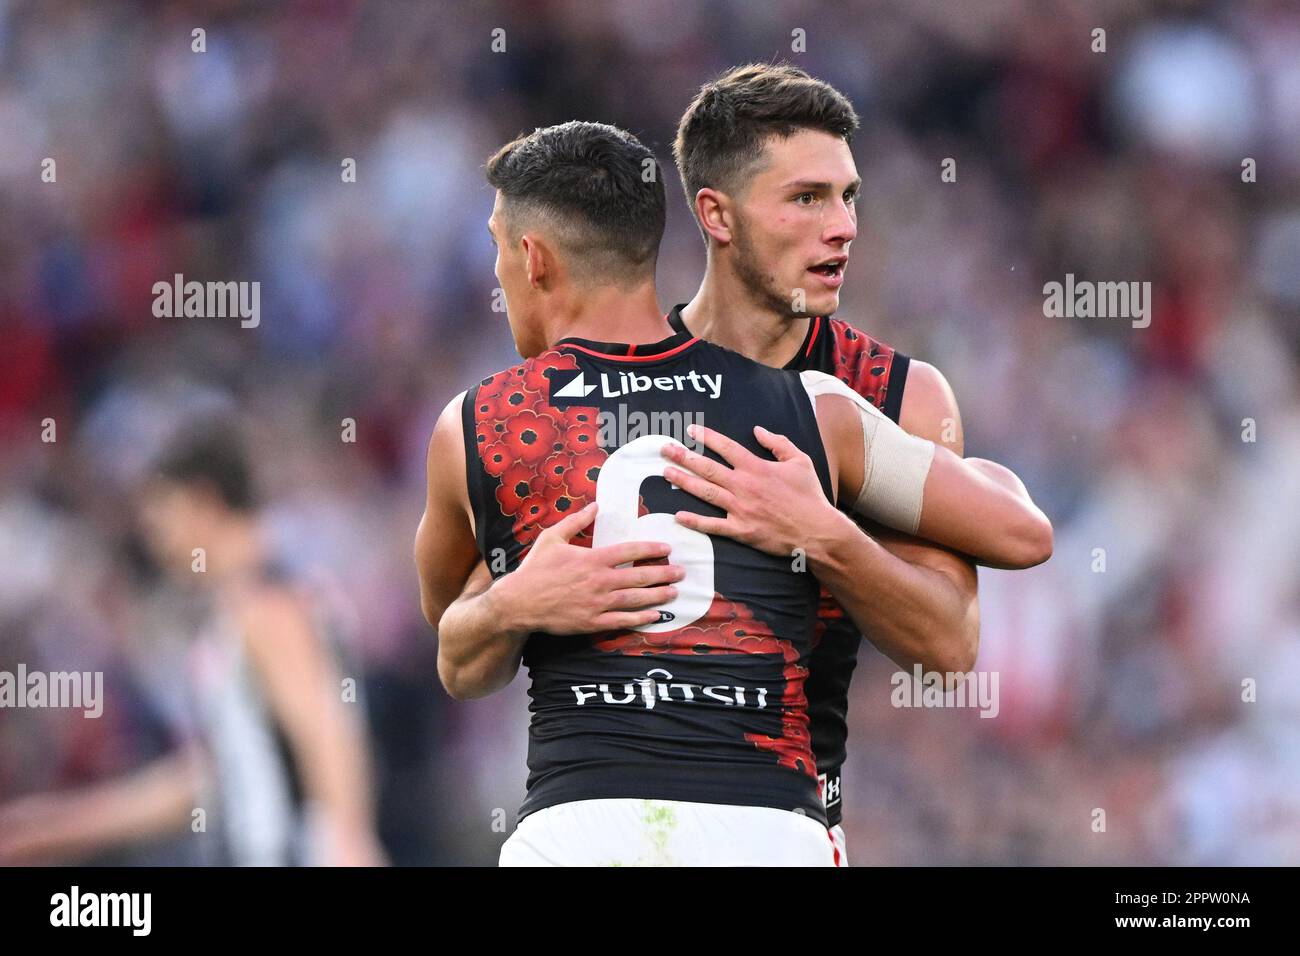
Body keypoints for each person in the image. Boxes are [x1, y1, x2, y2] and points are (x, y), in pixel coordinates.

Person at [414, 120, 1051, 865]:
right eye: (809, 198)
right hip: (768, 829)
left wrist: (512, 604)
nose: (840, 228)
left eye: (496, 250)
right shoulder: (813, 408)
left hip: (576, 828)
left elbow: (456, 652)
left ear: (532, 258)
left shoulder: (483, 425)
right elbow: (1024, 534)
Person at [664, 61, 1041, 863]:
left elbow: (947, 648)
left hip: (784, 828)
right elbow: (464, 637)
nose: (844, 227)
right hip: (616, 820)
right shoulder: (617, 378)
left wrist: (823, 535)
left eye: (848, 197)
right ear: (717, 215)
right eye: (807, 198)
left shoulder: (899, 397)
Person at [0, 426, 387, 866]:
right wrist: (54, 828)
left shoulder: (267, 608)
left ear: (202, 503)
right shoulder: (249, 610)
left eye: (161, 517)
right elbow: (210, 776)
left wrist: (352, 846)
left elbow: (326, 737)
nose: (156, 541)